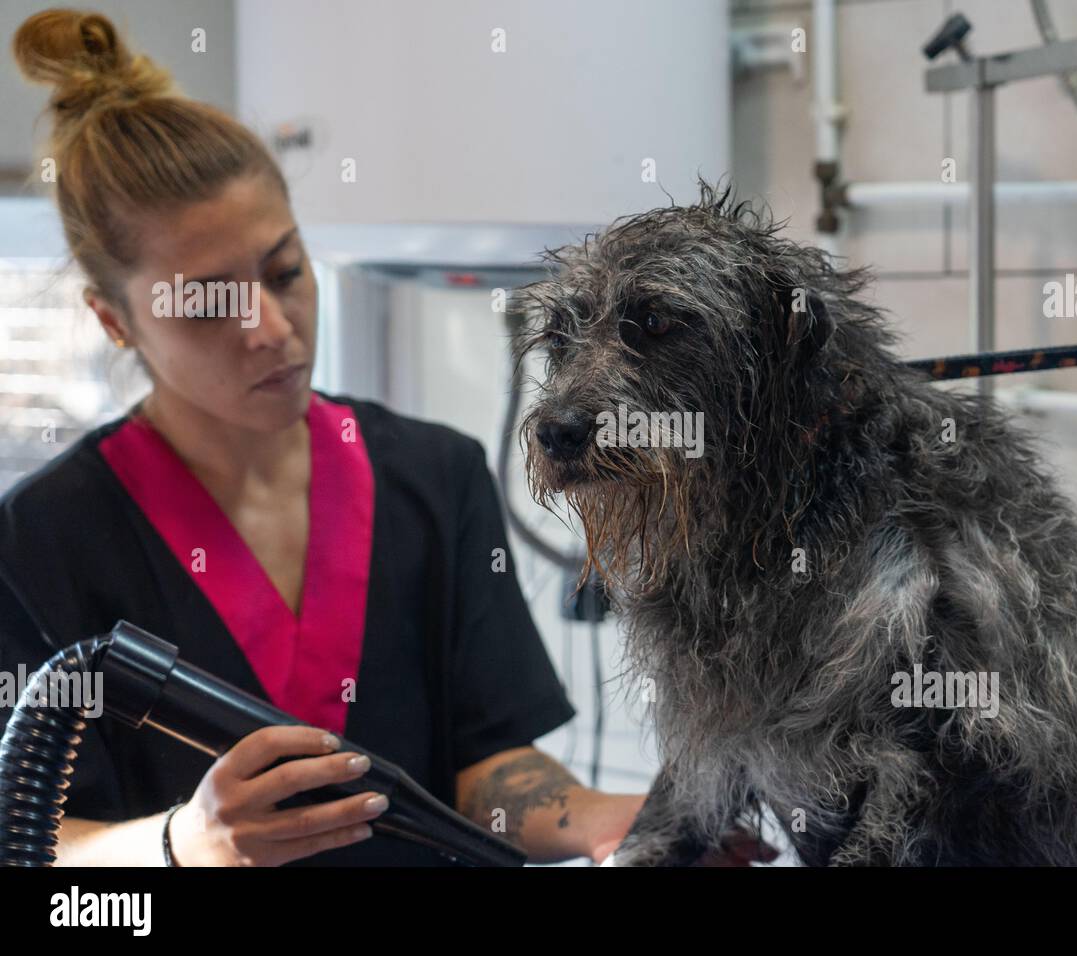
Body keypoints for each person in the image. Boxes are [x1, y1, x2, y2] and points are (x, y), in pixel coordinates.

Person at [0, 7, 695, 868]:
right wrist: (187, 843)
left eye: (285, 274)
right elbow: (36, 845)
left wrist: (602, 820)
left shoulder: (435, 476)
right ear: (114, 322)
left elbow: (489, 772)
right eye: (208, 302)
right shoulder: (41, 538)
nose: (269, 330)